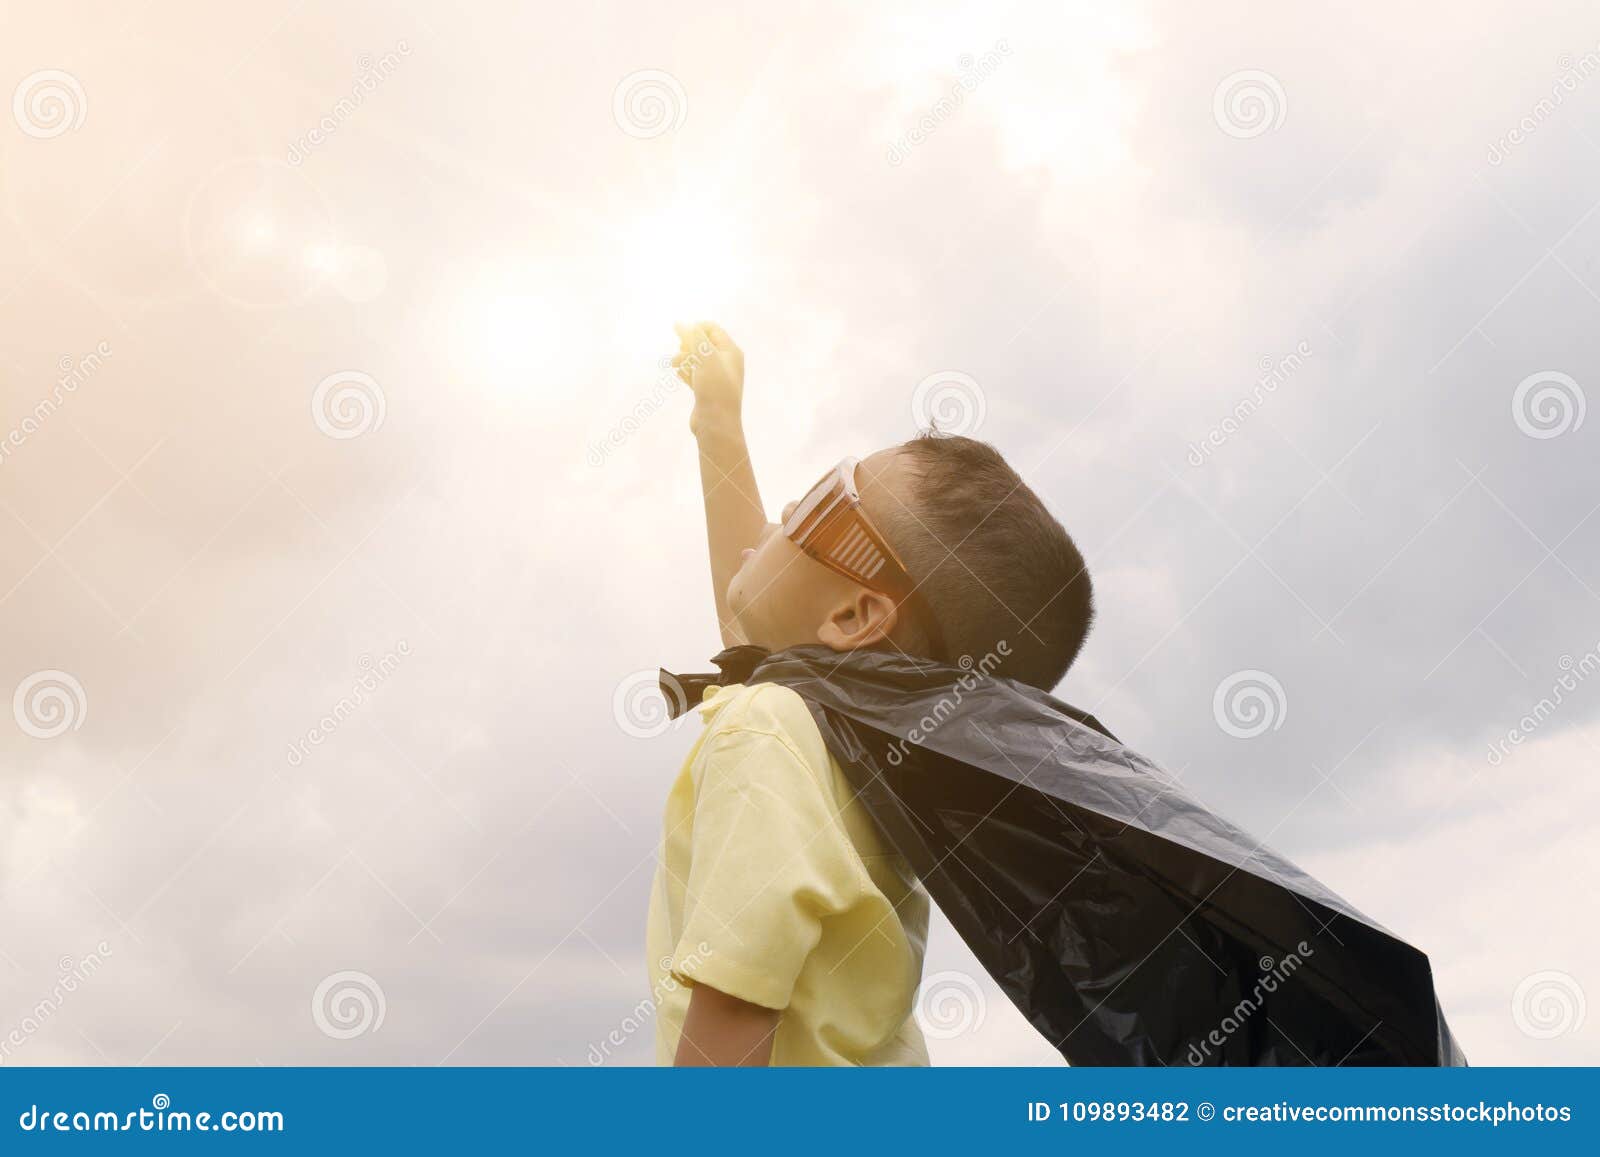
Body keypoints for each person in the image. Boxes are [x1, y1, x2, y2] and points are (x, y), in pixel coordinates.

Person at [644, 322, 1096, 1066]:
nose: (791, 502)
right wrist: (716, 420)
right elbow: (754, 619)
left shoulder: (770, 728)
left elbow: (732, 1011)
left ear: (855, 614)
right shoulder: (861, 740)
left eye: (826, 501)